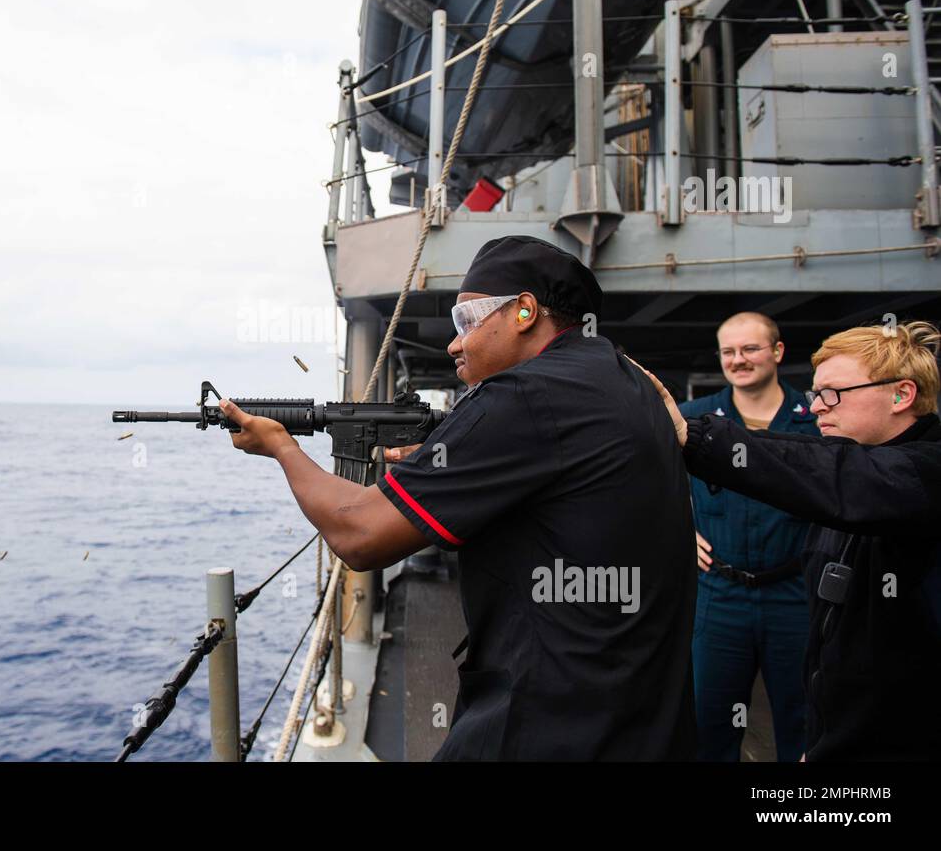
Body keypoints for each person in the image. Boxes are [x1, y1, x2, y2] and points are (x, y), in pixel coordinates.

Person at [220, 236, 697, 760]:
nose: (453, 343)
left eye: (467, 321)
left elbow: (359, 534)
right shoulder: (629, 381)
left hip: (551, 721)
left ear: (524, 312)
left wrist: (281, 447)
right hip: (644, 714)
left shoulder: (520, 395)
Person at [637, 320, 941, 761]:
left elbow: (839, 476)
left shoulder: (921, 473)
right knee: (712, 715)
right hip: (732, 600)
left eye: (834, 393)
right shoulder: (850, 475)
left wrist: (696, 438)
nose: (818, 407)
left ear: (901, 394)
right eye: (817, 394)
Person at [679, 312, 817, 762]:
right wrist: (678, 529)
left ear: (777, 352)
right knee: (710, 721)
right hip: (719, 596)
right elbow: (641, 482)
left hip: (796, 594)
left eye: (750, 349)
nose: (739, 360)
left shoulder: (815, 420)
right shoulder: (692, 421)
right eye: (729, 352)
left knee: (806, 719)